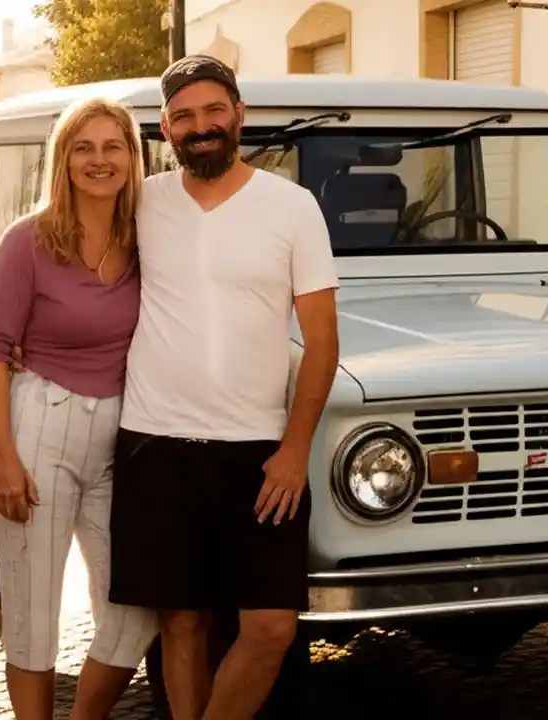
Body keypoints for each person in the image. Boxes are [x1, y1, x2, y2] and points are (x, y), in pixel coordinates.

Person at [108, 54, 340, 720]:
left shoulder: (292, 207)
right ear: (165, 127)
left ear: (240, 114)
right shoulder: (144, 202)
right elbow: (72, 243)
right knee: (184, 624)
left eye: (214, 111)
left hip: (260, 453)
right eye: (184, 116)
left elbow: (322, 342)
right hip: (155, 445)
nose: (201, 126)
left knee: (271, 628)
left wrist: (294, 450)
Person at [0, 96, 161, 720]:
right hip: (38, 428)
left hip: (119, 437)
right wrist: (4, 458)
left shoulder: (148, 241)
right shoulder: (27, 241)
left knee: (134, 614)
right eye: (83, 147)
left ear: (132, 158)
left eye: (113, 147)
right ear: (63, 158)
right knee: (32, 618)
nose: (98, 160)